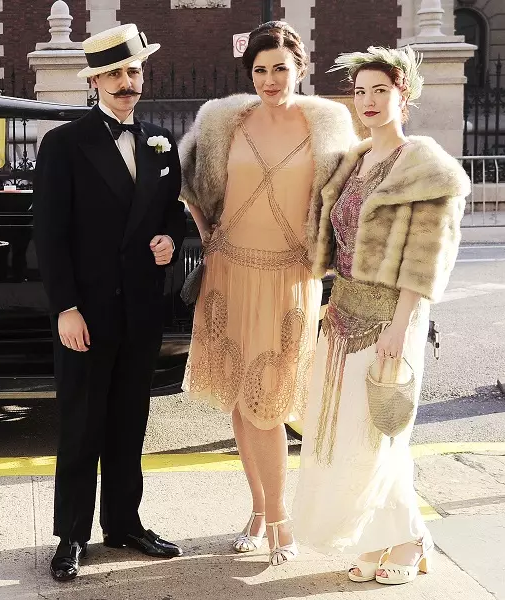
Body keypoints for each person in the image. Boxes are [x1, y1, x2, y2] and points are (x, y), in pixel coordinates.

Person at [178, 21, 356, 566]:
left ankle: (279, 518)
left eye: (280, 68)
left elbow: (348, 202)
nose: (270, 79)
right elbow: (187, 183)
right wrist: (206, 233)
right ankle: (259, 510)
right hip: (228, 272)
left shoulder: (329, 124)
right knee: (239, 394)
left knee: (269, 403)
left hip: (289, 280)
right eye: (260, 70)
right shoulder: (223, 121)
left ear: (300, 67)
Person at [292, 46, 470, 585]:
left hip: (393, 316)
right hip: (343, 311)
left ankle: (408, 537)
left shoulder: (426, 167)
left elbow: (428, 255)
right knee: (347, 434)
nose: (368, 101)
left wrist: (399, 327)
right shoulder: (351, 160)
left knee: (379, 433)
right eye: (361, 91)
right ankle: (387, 536)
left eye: (381, 91)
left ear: (404, 97)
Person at [33, 23, 187, 582]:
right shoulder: (65, 144)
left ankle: (124, 525)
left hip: (141, 310)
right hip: (87, 314)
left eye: (134, 71)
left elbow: (172, 212)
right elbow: (48, 236)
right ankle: (71, 535)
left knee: (129, 423)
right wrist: (65, 308)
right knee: (82, 425)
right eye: (117, 73)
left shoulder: (161, 141)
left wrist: (172, 238)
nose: (128, 82)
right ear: (95, 80)